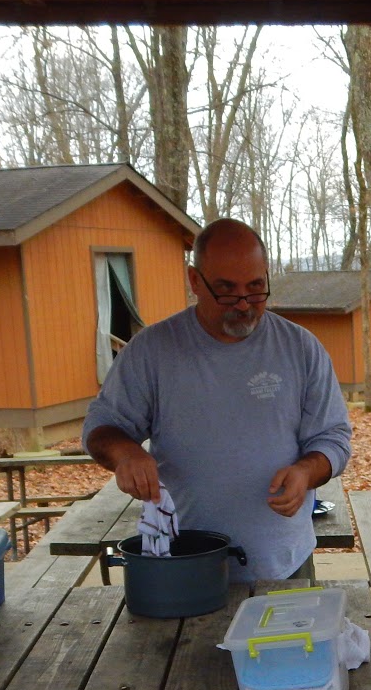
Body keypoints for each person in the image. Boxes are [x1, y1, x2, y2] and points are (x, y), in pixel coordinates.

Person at [83, 218, 352, 582]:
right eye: (227, 290)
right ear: (195, 281)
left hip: (284, 563)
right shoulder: (153, 350)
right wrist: (125, 454)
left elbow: (333, 437)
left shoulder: (300, 348)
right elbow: (102, 427)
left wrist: (307, 472)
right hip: (185, 562)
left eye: (256, 288)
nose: (243, 304)